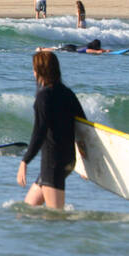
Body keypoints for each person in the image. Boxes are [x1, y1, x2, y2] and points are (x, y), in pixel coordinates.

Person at [17, 51, 86, 210]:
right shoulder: (68, 94)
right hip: (68, 160)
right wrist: (84, 160)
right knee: (27, 211)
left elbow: (39, 132)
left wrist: (24, 161)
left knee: (56, 218)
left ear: (41, 71)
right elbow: (83, 127)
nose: (33, 72)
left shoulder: (44, 97)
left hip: (53, 164)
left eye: (34, 69)